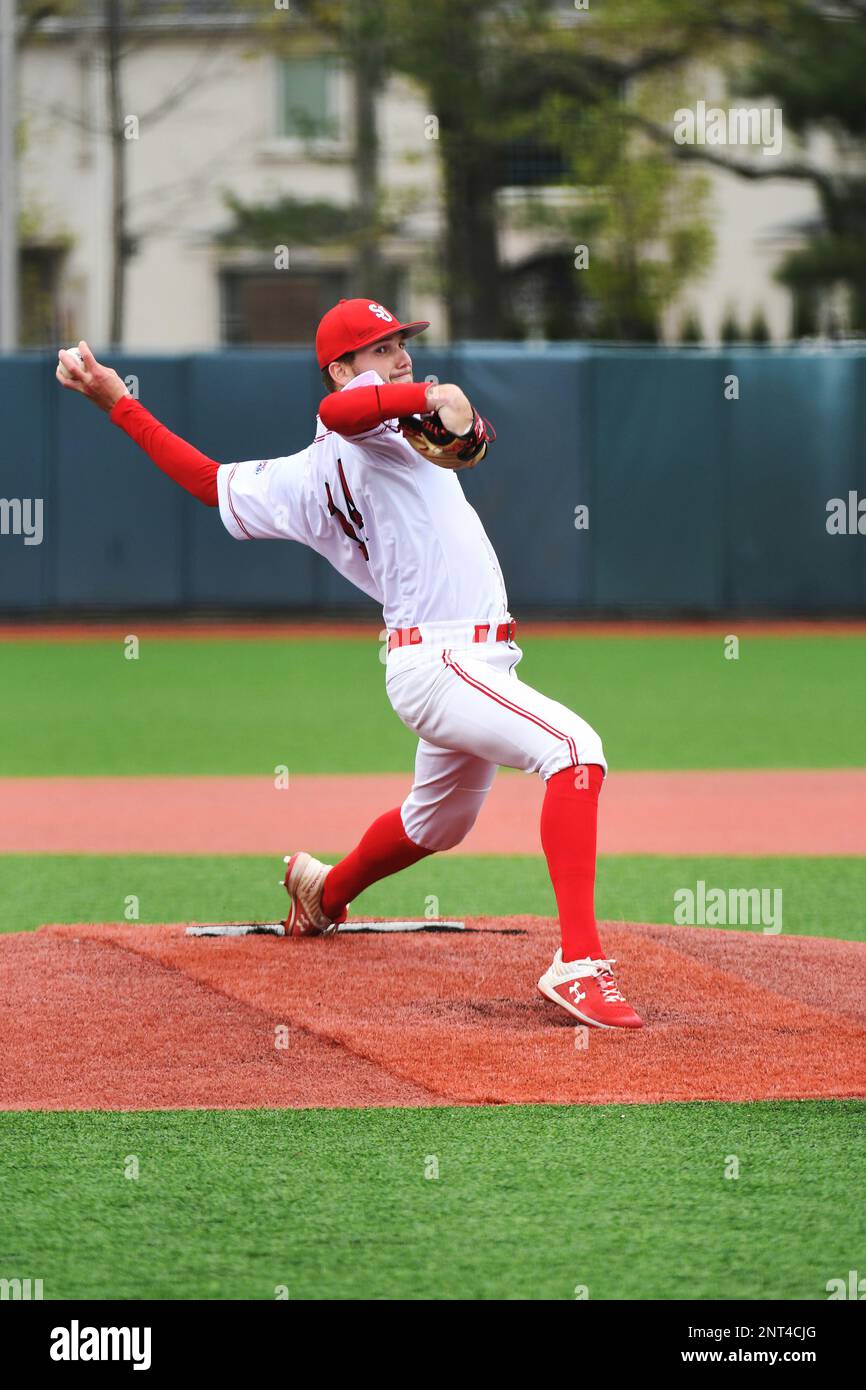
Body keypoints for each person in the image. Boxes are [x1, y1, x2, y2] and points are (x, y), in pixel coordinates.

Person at [56, 298, 642, 1029]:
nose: (401, 355)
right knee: (576, 751)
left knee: (439, 825)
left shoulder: (312, 472)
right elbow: (344, 415)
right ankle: (579, 965)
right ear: (338, 369)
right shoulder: (362, 425)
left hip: (465, 661)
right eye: (379, 347)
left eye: (402, 342)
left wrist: (117, 402)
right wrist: (430, 396)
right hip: (444, 659)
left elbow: (209, 482)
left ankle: (322, 894)